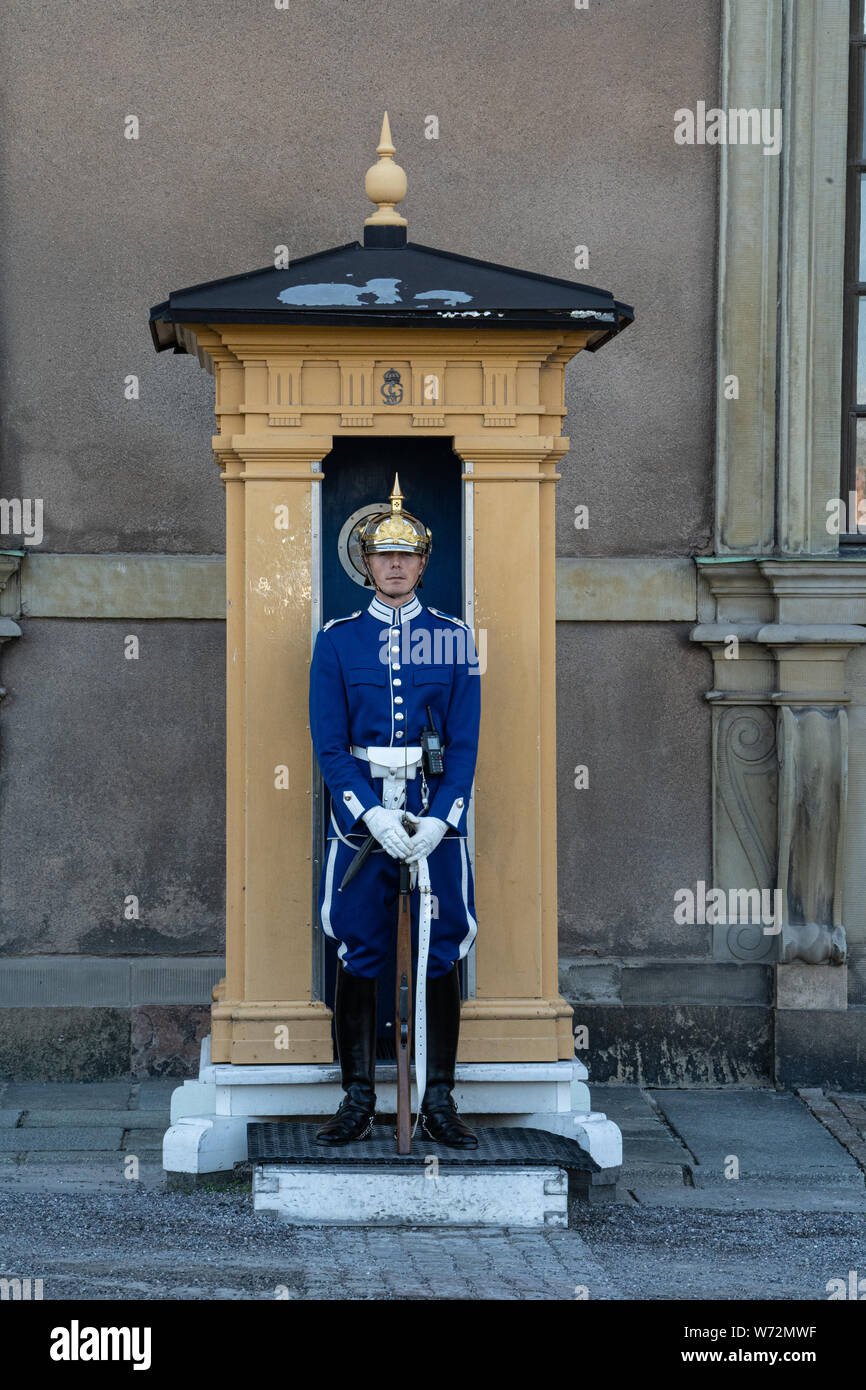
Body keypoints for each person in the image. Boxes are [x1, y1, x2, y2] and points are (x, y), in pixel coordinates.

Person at [309, 475, 480, 1148]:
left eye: (407, 556)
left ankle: (438, 1099)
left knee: (440, 951)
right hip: (361, 823)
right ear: (367, 564)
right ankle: (357, 1100)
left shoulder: (452, 638)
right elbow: (328, 744)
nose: (397, 566)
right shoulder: (339, 640)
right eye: (385, 556)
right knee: (358, 946)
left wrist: (441, 818)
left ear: (423, 563)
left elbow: (463, 742)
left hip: (434, 819)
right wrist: (369, 814)